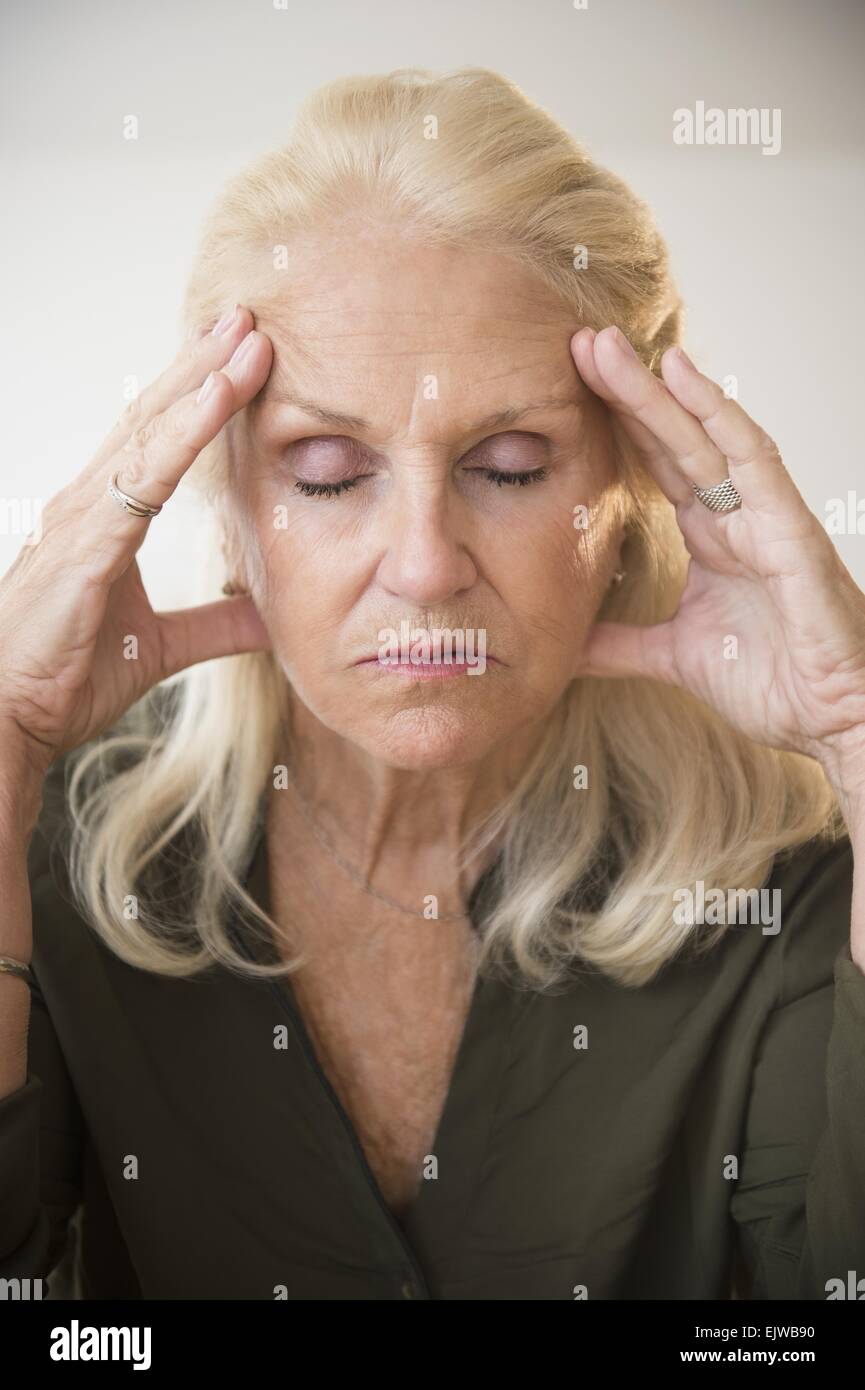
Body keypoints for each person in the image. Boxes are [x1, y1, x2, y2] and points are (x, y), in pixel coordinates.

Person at [1, 66, 864, 1301]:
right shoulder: (59, 852)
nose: (421, 564)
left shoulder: (788, 877)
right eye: (326, 468)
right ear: (231, 500)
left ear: (627, 496)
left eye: (509, 465)